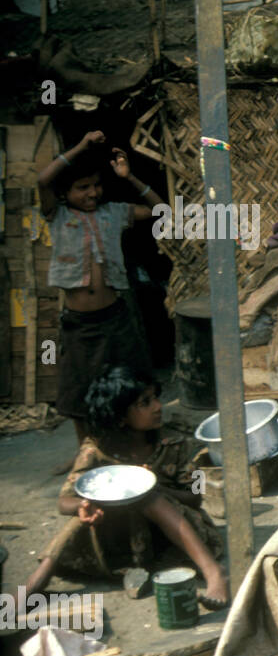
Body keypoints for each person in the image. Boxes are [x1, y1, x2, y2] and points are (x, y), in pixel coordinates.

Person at [25, 366, 230, 608]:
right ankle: (32, 587)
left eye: (155, 397)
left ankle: (215, 573)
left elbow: (196, 496)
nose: (158, 406)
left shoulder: (175, 442)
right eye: (145, 402)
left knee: (147, 497)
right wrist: (84, 505)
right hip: (122, 542)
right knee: (80, 517)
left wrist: (155, 485)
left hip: (175, 536)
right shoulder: (96, 449)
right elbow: (63, 501)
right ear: (120, 416)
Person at [37, 131, 162, 453]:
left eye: (96, 185)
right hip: (79, 323)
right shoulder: (58, 215)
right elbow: (42, 179)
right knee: (78, 390)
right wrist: (80, 146)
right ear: (65, 193)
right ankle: (87, 452)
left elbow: (162, 212)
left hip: (117, 318)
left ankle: (139, 447)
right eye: (83, 187)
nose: (93, 192)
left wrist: (128, 176)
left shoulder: (114, 212)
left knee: (132, 382)